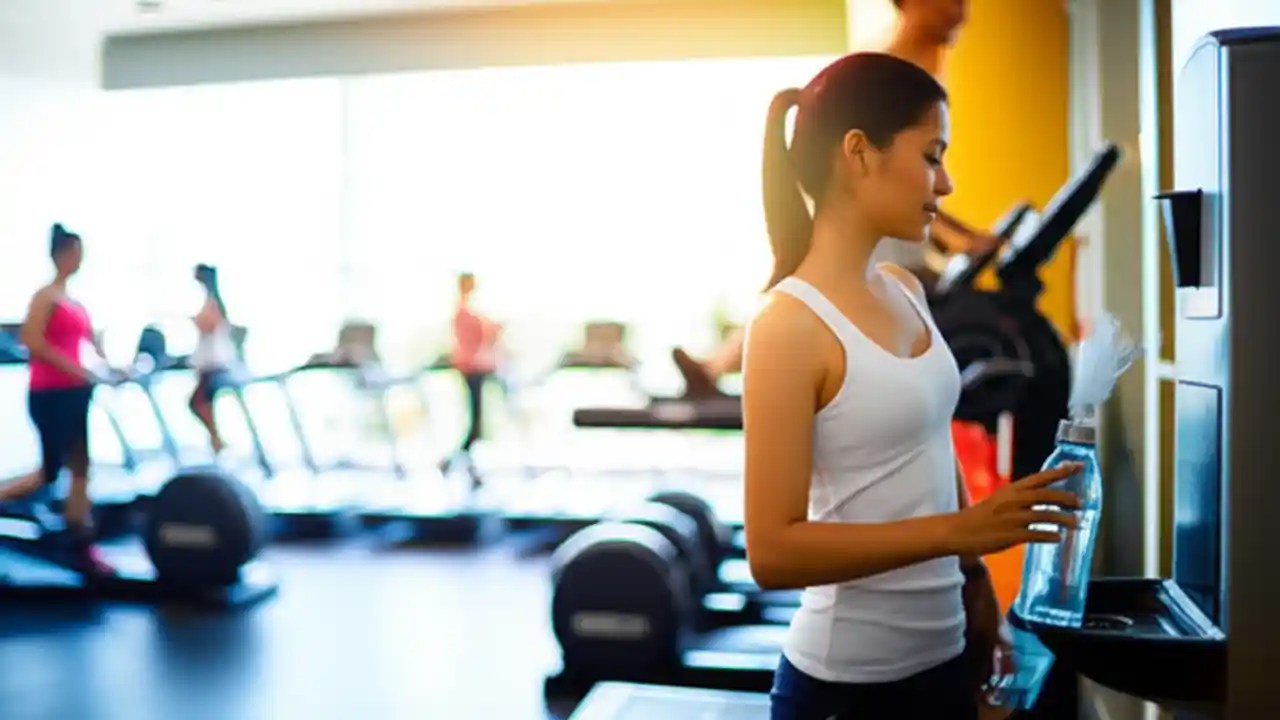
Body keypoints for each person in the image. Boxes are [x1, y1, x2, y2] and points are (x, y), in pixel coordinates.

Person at [742, 53, 1082, 719]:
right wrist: (960, 531)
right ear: (858, 153)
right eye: (932, 156)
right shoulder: (787, 324)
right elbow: (773, 553)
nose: (945, 183)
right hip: (846, 690)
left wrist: (976, 584)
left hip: (946, 660)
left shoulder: (904, 289)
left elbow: (930, 441)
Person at [670, 0, 1003, 396]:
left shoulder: (923, 72)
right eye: (952, 2)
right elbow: (904, 180)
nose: (962, 13)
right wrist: (964, 237)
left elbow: (918, 181)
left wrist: (961, 237)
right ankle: (714, 368)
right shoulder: (887, 75)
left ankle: (713, 367)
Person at [0, 224, 116, 576]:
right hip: (50, 393)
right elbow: (32, 341)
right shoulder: (45, 297)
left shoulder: (74, 301)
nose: (80, 259)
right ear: (61, 255)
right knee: (49, 473)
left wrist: (109, 368)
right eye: (75, 253)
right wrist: (75, 370)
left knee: (81, 468)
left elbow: (92, 345)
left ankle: (83, 544)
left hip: (77, 391)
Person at [445, 272, 501, 474]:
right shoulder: (463, 311)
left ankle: (462, 464)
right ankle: (453, 463)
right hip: (472, 368)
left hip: (476, 368)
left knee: (477, 422)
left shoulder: (468, 310)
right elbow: (474, 340)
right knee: (475, 422)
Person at [189, 264, 237, 455]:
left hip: (214, 365)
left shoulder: (213, 304)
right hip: (210, 365)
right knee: (200, 403)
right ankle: (215, 438)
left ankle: (216, 438)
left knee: (198, 402)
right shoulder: (211, 302)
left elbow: (209, 325)